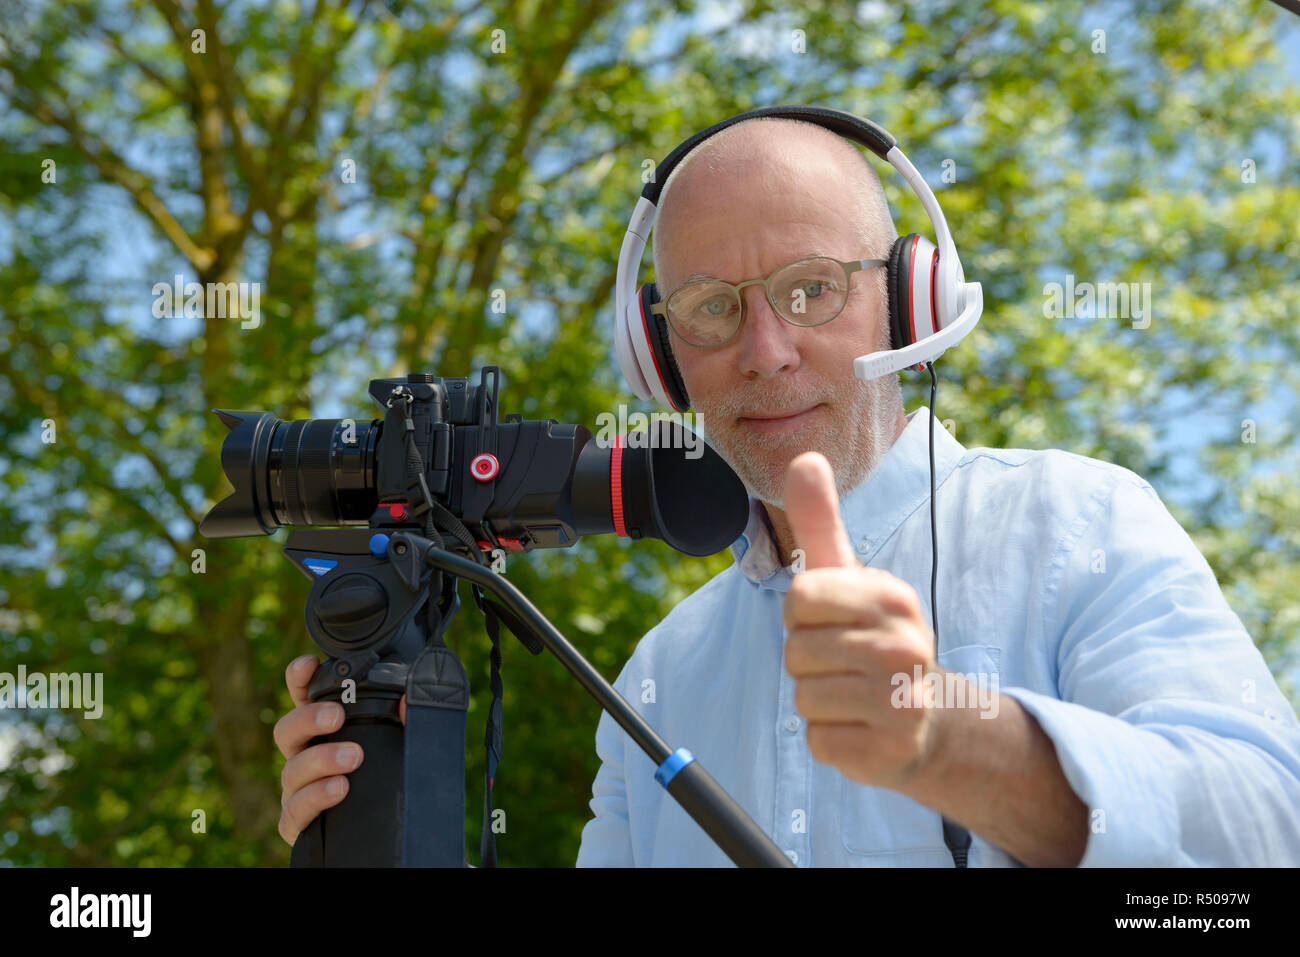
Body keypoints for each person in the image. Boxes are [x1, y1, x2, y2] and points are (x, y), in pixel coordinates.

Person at [275, 116, 1300, 866]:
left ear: (908, 300)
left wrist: (952, 739)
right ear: (660, 356)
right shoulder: (656, 674)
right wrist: (384, 829)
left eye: (812, 288)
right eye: (712, 308)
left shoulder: (1081, 519)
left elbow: (1264, 831)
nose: (764, 352)